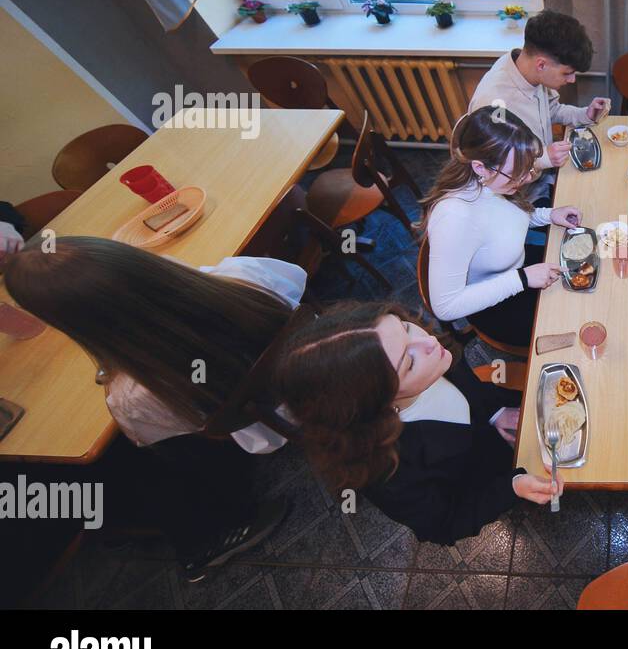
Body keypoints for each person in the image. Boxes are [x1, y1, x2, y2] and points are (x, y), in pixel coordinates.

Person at [3, 237, 301, 579]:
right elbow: (294, 282)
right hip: (313, 370)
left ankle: (213, 536)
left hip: (263, 423)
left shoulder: (132, 395)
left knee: (139, 462)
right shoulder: (240, 275)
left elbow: (159, 438)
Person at [272, 302, 561, 545]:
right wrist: (512, 488)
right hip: (485, 480)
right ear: (378, 401)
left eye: (405, 327)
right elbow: (445, 524)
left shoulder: (426, 350)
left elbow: (463, 377)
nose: (430, 342)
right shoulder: (387, 471)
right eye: (408, 363)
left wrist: (495, 413)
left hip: (497, 426)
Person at [420, 107, 580, 348]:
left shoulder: (492, 183)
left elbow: (507, 218)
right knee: (578, 316)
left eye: (529, 167)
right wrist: (523, 279)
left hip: (518, 271)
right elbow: (445, 306)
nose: (528, 177)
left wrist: (549, 215)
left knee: (584, 271)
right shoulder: (454, 218)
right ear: (480, 167)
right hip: (496, 305)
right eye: (518, 172)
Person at [468, 9, 611, 204]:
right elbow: (495, 169)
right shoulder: (495, 103)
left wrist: (584, 114)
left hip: (545, 178)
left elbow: (552, 111)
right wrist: (545, 158)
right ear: (541, 65)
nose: (572, 80)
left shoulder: (528, 69)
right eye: (567, 73)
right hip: (518, 199)